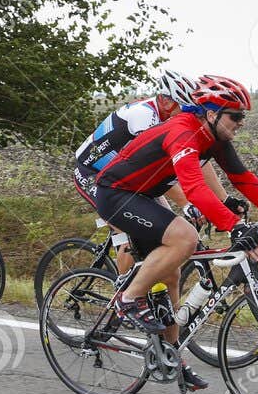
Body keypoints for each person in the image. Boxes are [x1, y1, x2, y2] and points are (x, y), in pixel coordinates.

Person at [94, 74, 258, 393]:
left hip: (144, 195)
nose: (241, 123)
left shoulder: (215, 138)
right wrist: (234, 226)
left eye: (243, 117)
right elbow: (194, 187)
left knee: (172, 273)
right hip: (116, 193)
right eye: (236, 116)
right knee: (186, 238)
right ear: (212, 113)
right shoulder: (183, 131)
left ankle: (171, 357)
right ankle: (128, 299)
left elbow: (243, 179)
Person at [72, 70, 236, 275]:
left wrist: (224, 198)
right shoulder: (145, 116)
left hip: (125, 181)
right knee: (132, 231)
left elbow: (198, 161)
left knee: (161, 226)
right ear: (167, 102)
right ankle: (123, 297)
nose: (190, 114)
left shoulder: (177, 123)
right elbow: (153, 169)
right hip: (91, 174)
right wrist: (186, 203)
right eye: (183, 107)